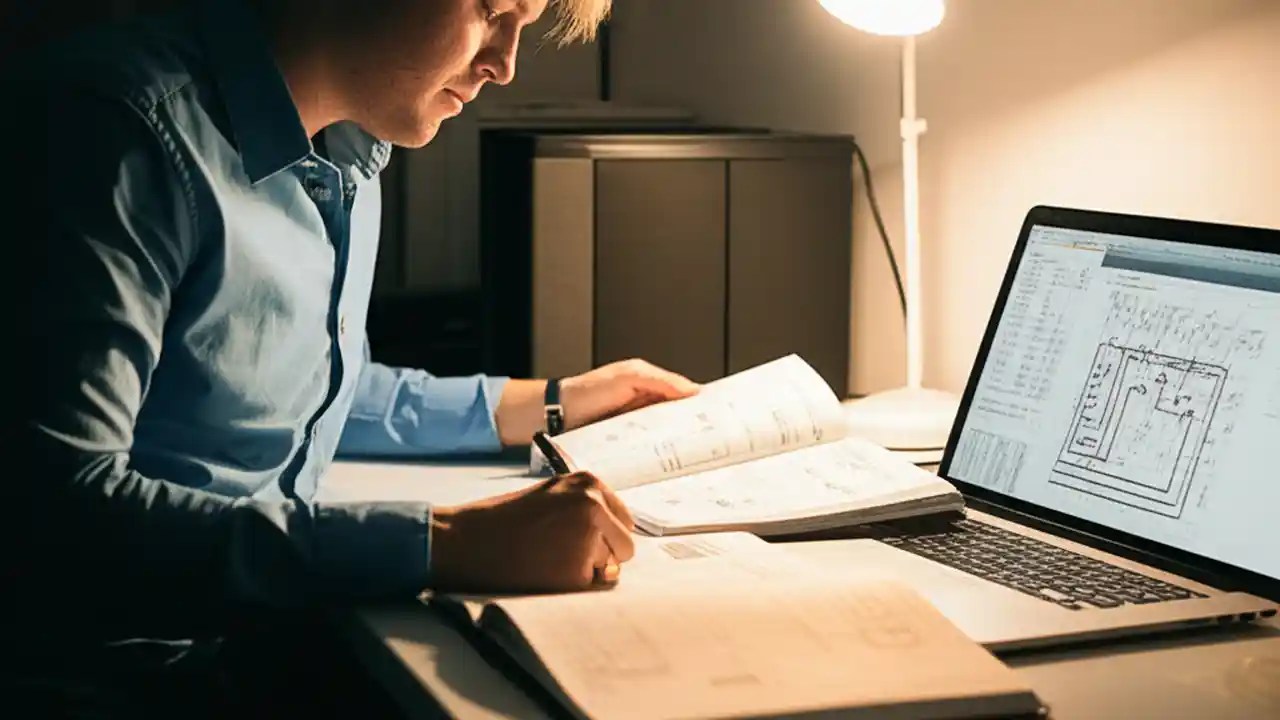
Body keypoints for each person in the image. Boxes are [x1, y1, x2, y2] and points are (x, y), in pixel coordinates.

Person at [8, 0, 698, 715]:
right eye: (495, 11)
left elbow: (291, 380)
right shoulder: (110, 132)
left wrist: (553, 402)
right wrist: (447, 543)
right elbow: (59, 520)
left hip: (257, 646)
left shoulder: (348, 150)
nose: (504, 64)